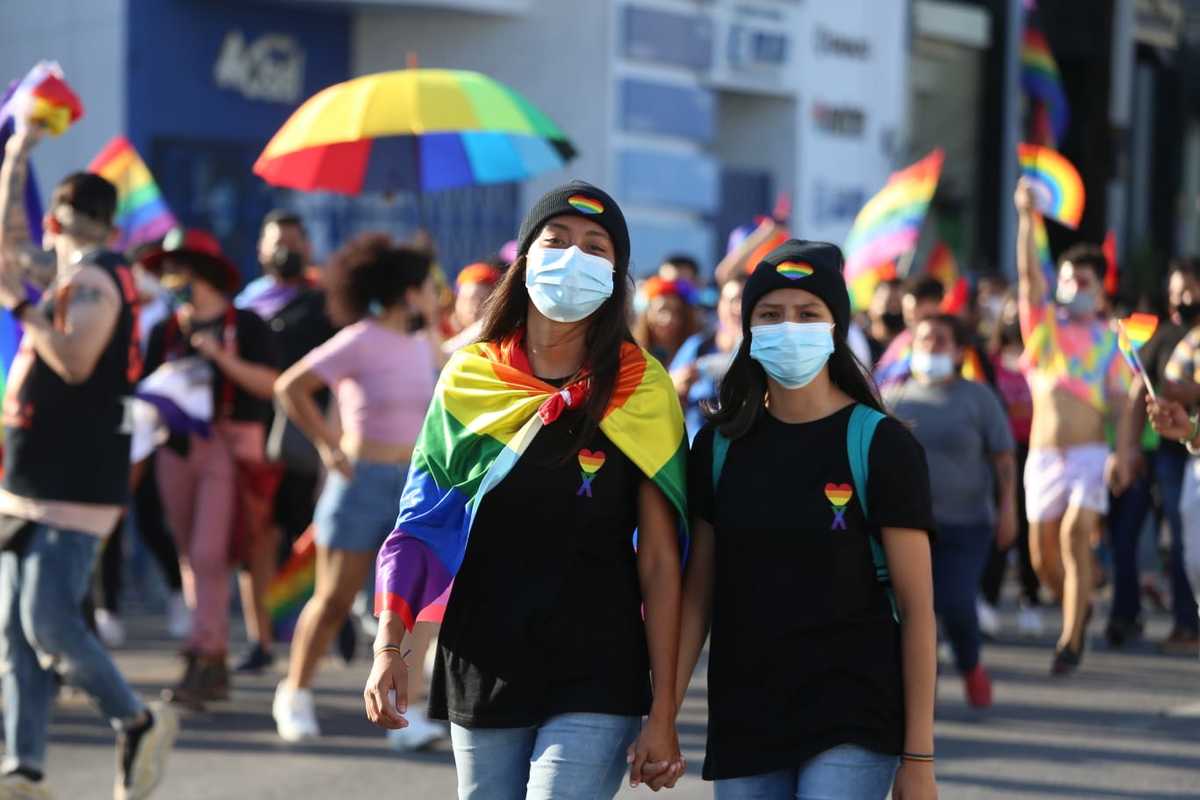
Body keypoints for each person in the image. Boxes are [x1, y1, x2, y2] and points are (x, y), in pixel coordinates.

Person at [364, 181, 687, 797]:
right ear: (525, 260)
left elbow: (661, 562)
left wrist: (665, 709)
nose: (573, 258)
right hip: (484, 655)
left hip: (599, 663)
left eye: (595, 247)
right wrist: (388, 647)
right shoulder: (470, 379)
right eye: (556, 240)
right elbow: (419, 526)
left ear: (616, 276)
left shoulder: (644, 390)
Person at [675, 239, 937, 800]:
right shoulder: (717, 448)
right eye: (770, 314)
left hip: (854, 714)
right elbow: (698, 594)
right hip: (746, 717)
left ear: (836, 327)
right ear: (747, 327)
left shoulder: (881, 445)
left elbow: (917, 610)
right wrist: (662, 716)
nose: (788, 327)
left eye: (808, 313)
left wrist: (918, 758)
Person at [0, 125, 176, 799]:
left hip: (73, 483)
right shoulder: (74, 273)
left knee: (49, 623)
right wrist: (16, 154)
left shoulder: (99, 278)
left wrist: (21, 307)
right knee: (15, 633)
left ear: (56, 221)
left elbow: (74, 361)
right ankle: (25, 767)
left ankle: (136, 720)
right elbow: (7, 248)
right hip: (29, 480)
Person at [272, 234, 442, 747]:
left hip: (413, 485)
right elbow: (289, 387)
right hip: (359, 481)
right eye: (429, 286)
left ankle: (402, 715)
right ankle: (294, 694)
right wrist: (328, 446)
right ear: (409, 292)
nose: (436, 294)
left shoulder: (422, 343)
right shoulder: (359, 338)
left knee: (410, 606)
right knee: (333, 598)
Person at [142, 228, 280, 709]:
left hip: (226, 447)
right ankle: (208, 655)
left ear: (203, 274)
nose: (169, 279)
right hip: (174, 450)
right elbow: (144, 392)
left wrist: (219, 356)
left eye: (177, 269)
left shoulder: (246, 324)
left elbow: (271, 384)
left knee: (208, 554)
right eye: (165, 270)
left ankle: (206, 653)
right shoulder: (165, 331)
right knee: (190, 555)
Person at [1013, 178, 1134, 675]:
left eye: (1084, 281)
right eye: (1067, 279)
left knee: (1074, 534)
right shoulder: (1043, 330)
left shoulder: (1112, 341)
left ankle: (1070, 639)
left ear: (1101, 288)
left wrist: (1123, 453)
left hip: (1089, 455)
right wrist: (1026, 218)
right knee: (1043, 562)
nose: (1073, 288)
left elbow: (1123, 405)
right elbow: (1028, 278)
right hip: (1043, 458)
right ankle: (1076, 606)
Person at [886, 314, 1016, 708]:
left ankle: (971, 664)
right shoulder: (893, 397)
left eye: (941, 340)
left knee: (956, 601)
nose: (931, 346)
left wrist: (1009, 508)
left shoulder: (979, 398)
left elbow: (1003, 457)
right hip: (908, 526)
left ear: (959, 351)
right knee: (916, 609)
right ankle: (924, 686)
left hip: (967, 524)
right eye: (924, 339)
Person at [231, 210, 335, 675]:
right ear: (260, 249)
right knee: (256, 542)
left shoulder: (323, 304)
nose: (286, 251)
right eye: (278, 243)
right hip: (255, 441)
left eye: (294, 242)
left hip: (307, 442)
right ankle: (260, 639)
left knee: (313, 542)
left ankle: (319, 631)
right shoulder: (245, 308)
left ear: (308, 248)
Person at [979, 299, 1044, 636]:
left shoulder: (1043, 358)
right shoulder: (988, 363)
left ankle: (1031, 599)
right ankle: (988, 601)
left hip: (1037, 452)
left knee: (1029, 529)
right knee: (1001, 526)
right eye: (1010, 316)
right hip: (999, 455)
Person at [1148, 261, 1200, 655]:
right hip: (1186, 458)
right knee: (1191, 553)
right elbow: (1162, 385)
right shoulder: (1186, 339)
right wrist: (1191, 432)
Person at [670, 275, 744, 441]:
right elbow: (669, 386)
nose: (738, 308)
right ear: (719, 305)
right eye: (732, 300)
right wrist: (683, 382)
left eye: (744, 300)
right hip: (697, 444)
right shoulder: (697, 346)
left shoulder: (760, 350)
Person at [632, 275, 701, 365]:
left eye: (677, 312)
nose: (669, 319)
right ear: (646, 313)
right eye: (661, 310)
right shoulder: (630, 354)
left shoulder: (697, 353)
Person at [443, 260, 502, 354]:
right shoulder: (441, 330)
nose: (472, 307)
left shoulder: (500, 341)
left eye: (481, 300)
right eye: (465, 299)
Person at [866, 277, 905, 365]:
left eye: (898, 303)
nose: (894, 310)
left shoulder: (910, 347)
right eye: (888, 302)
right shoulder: (858, 342)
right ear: (872, 305)